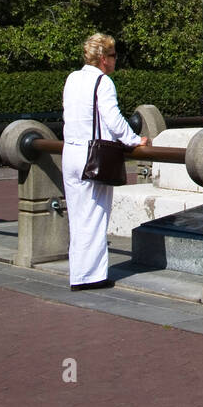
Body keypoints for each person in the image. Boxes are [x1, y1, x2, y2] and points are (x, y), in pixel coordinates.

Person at [62, 33, 150, 291]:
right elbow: (113, 119)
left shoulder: (72, 78)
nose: (115, 60)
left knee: (78, 218)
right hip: (93, 155)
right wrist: (135, 140)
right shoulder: (103, 82)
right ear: (103, 59)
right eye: (112, 55)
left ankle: (78, 273)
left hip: (71, 152)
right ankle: (91, 277)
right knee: (95, 215)